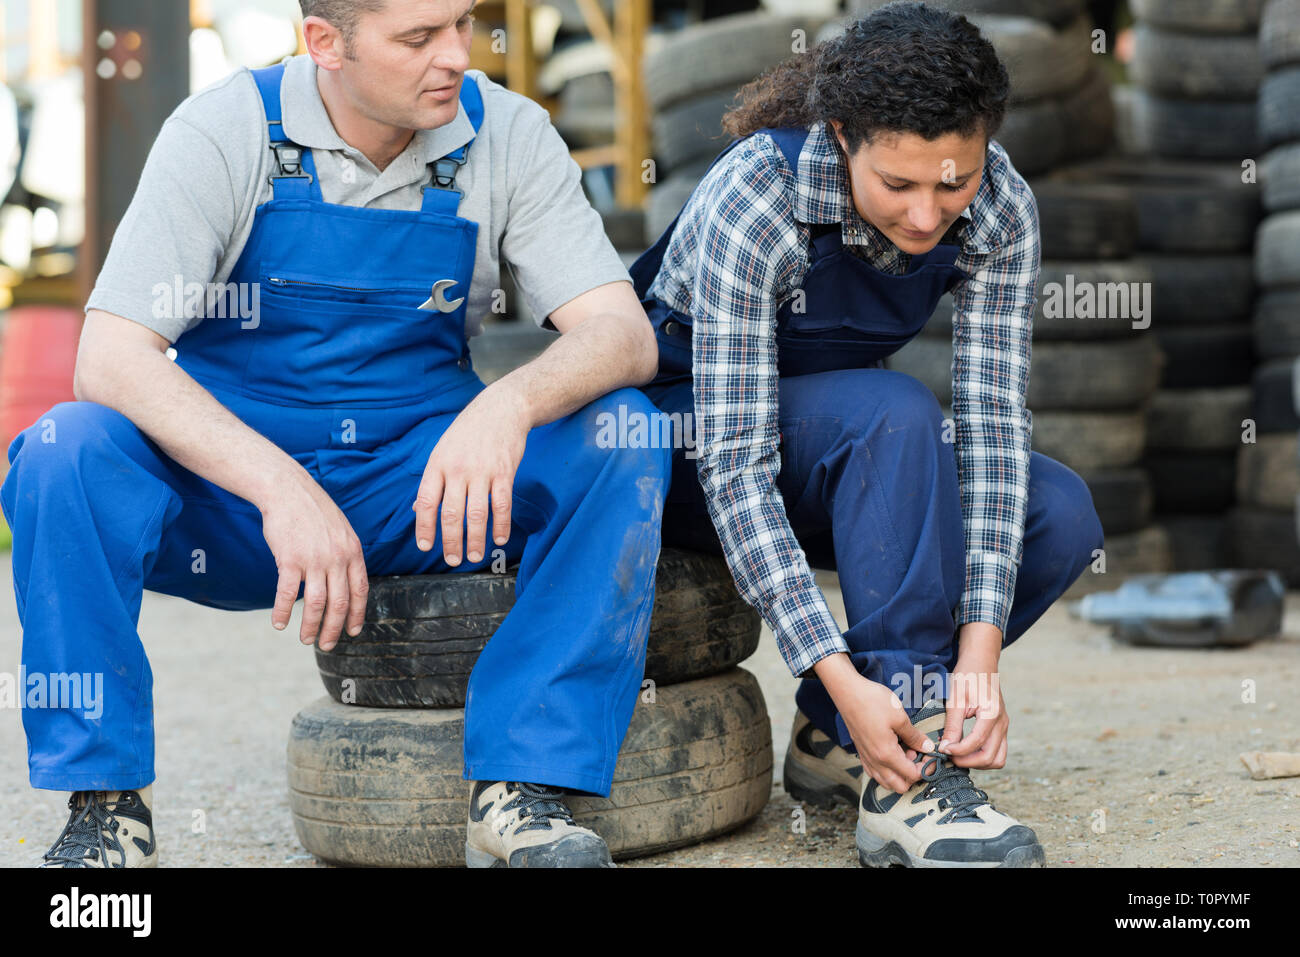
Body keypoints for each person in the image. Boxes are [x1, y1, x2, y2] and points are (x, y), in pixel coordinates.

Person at [2, 0, 670, 868]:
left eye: (463, 24)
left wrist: (508, 405)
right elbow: (112, 358)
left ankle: (525, 790)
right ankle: (106, 810)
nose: (456, 58)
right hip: (236, 506)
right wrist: (279, 485)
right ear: (325, 43)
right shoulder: (223, 131)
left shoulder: (506, 130)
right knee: (65, 451)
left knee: (623, 432)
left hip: (422, 489)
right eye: (419, 38)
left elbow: (624, 333)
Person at [632, 1, 1105, 868]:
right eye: (899, 185)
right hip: (677, 454)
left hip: (829, 455)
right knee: (894, 411)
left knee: (1057, 511)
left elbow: (995, 427)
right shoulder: (757, 196)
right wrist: (843, 671)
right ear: (842, 134)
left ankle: (836, 743)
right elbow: (736, 464)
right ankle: (906, 782)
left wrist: (977, 661)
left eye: (951, 183)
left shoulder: (1000, 205)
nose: (928, 217)